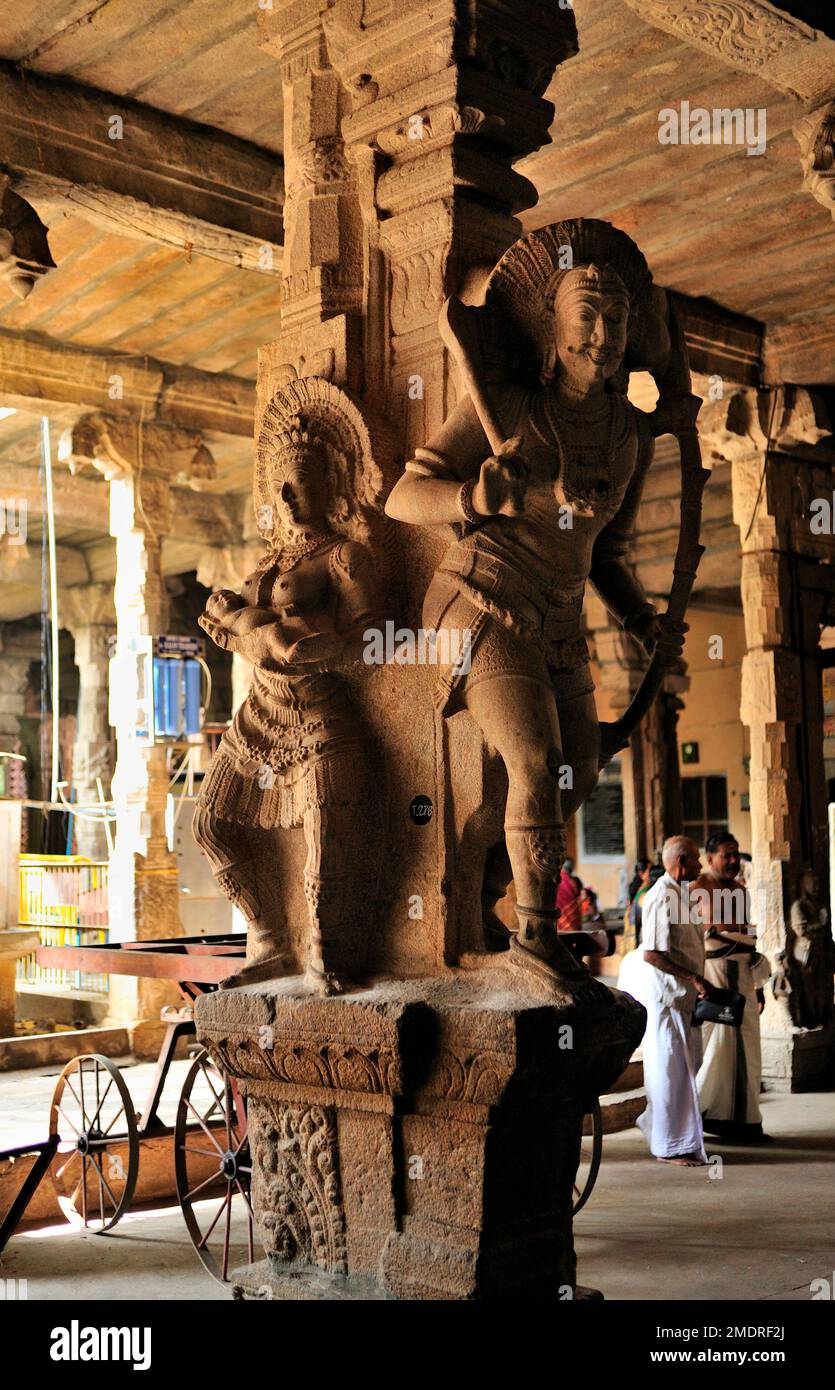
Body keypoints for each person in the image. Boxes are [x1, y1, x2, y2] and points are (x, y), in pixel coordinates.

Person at [635, 835, 713, 1166]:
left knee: (683, 1072)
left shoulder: (681, 894)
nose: (700, 864)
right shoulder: (660, 897)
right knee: (669, 1073)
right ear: (680, 862)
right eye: (695, 859)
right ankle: (668, 1148)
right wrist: (693, 978)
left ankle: (675, 1138)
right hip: (668, 1000)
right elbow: (652, 954)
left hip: (684, 999)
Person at [693, 832, 771, 1143]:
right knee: (716, 1048)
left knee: (749, 1049)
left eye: (737, 854)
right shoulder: (698, 888)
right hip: (714, 977)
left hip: (744, 976)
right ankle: (703, 1117)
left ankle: (746, 1122)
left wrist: (760, 984)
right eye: (727, 854)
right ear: (710, 858)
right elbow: (699, 936)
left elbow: (746, 935)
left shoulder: (740, 890)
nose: (734, 861)